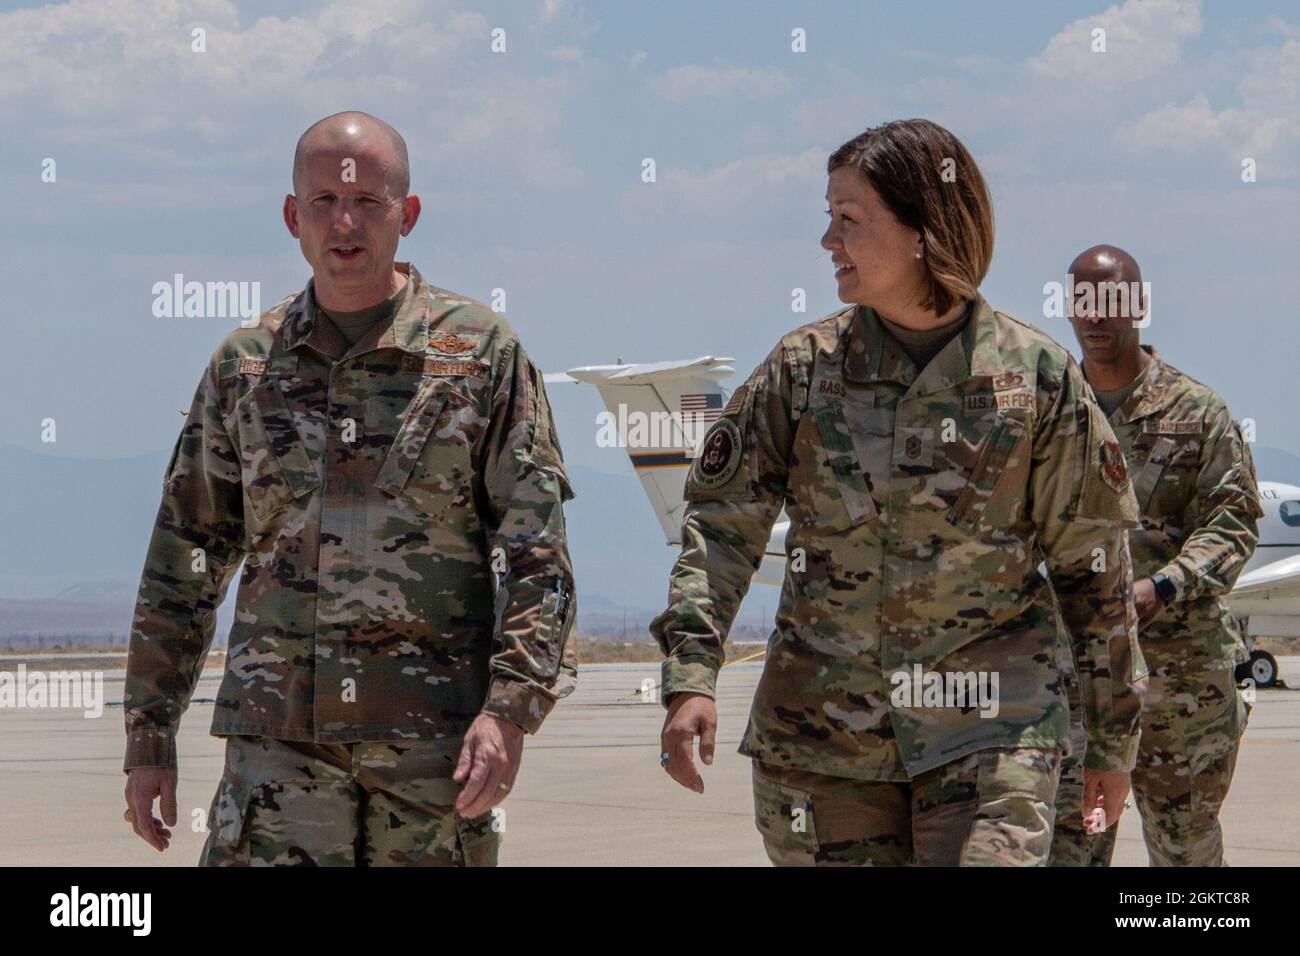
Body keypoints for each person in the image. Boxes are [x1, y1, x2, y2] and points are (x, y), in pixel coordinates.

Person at [649, 119, 1147, 866]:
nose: (828, 241)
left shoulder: (1036, 379)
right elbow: (721, 533)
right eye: (829, 217)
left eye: (850, 219)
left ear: (924, 230)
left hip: (991, 730)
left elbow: (1093, 572)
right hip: (826, 746)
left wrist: (1112, 739)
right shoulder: (803, 370)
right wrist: (691, 678)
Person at [122, 111, 576, 866]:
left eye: (368, 201)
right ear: (292, 217)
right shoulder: (245, 367)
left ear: (408, 213)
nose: (345, 222)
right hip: (278, 757)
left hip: (432, 754)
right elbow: (183, 561)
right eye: (325, 202)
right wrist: (149, 735)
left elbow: (537, 553)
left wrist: (511, 709)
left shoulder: (479, 357)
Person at [1049, 244, 1261, 867]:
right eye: (1082, 300)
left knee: (1183, 855)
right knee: (1069, 853)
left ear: (1139, 304)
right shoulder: (1053, 414)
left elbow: (1234, 522)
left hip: (1182, 685)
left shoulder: (1197, 413)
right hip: (1079, 685)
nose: (1095, 315)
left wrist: (1165, 586)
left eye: (1111, 299)